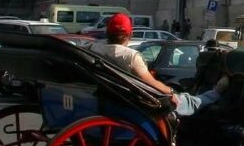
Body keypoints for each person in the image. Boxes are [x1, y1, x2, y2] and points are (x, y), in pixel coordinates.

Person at [91, 14, 221, 116]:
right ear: (130, 34)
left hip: (106, 99)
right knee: (188, 101)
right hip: (133, 105)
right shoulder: (130, 56)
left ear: (107, 33)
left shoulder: (93, 48)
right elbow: (150, 83)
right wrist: (170, 91)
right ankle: (217, 92)